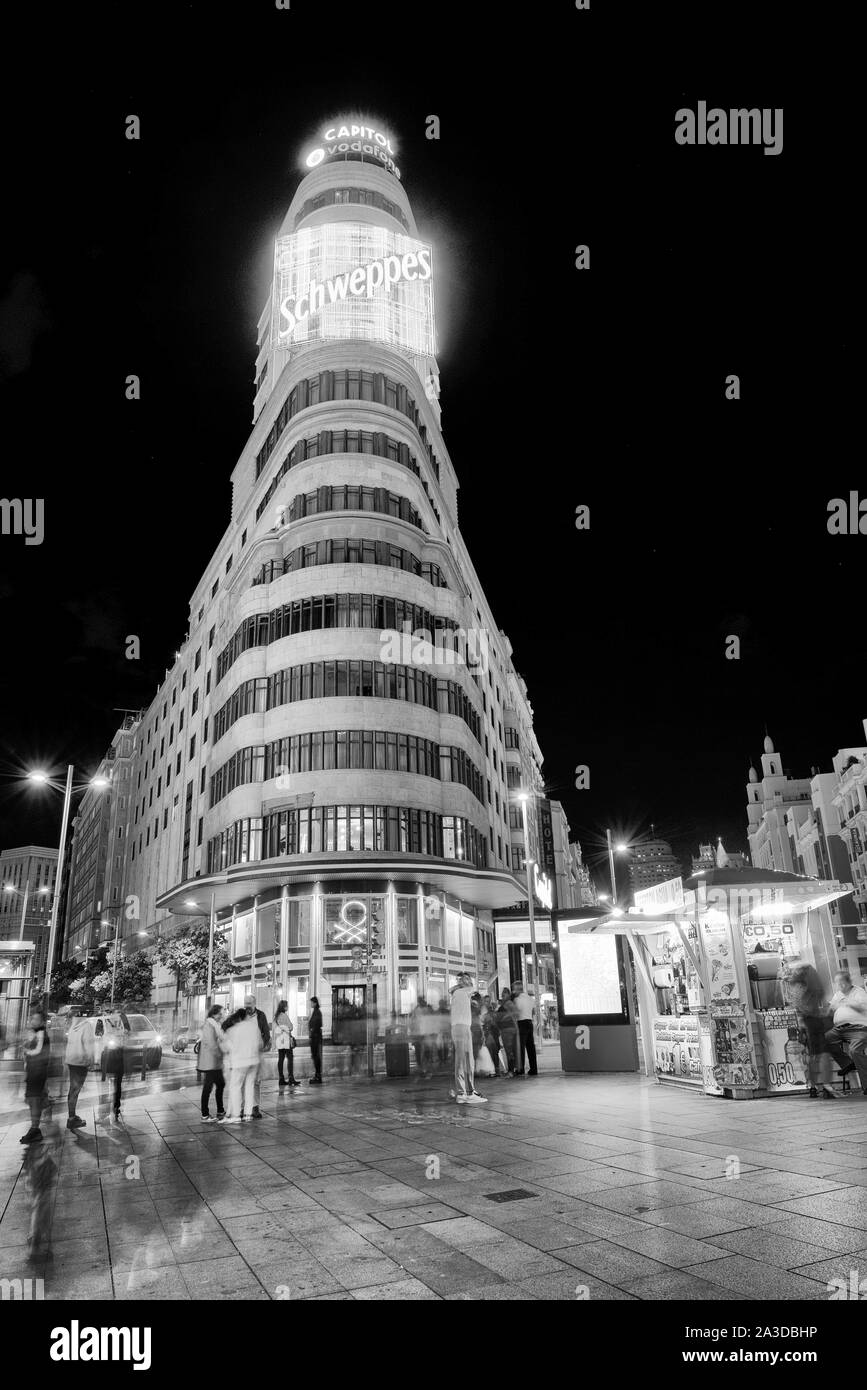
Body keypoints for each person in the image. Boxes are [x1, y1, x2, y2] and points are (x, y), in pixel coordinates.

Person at [786, 964, 836, 1099]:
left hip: (806, 1023)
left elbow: (796, 1006)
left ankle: (813, 1087)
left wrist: (801, 1020)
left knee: (812, 1056)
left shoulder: (796, 988)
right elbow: (823, 1006)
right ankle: (826, 1085)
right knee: (824, 1054)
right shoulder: (814, 989)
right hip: (816, 1021)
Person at [224, 993, 270, 1117]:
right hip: (243, 1054)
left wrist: (262, 1045)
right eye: (245, 1004)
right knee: (244, 1083)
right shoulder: (241, 1016)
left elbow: (266, 1033)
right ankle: (243, 1107)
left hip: (256, 1053)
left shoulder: (261, 1016)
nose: (247, 1006)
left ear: (254, 1004)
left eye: (249, 1004)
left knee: (255, 1082)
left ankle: (255, 1107)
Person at [825, 971, 867, 1095]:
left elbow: (862, 1008)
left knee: (855, 1050)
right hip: (839, 1029)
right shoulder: (838, 994)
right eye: (838, 983)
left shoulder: (859, 992)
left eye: (842, 983)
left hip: (859, 1028)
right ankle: (848, 1063)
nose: (840, 986)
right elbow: (830, 1009)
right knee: (824, 1040)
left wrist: (847, 1002)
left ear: (848, 982)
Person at [449, 972, 486, 1104]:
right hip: (463, 1027)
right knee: (466, 1060)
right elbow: (475, 989)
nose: (470, 982)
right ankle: (466, 1093)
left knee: (462, 1059)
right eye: (468, 980)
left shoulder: (457, 993)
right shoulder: (466, 990)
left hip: (457, 1027)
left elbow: (453, 990)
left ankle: (464, 1092)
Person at [21, 1008, 51, 1144]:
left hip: (37, 1072)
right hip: (33, 1071)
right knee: (34, 1100)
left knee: (34, 1100)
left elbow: (38, 1051)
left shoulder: (41, 1034)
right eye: (32, 1018)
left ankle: (35, 1130)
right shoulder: (35, 1033)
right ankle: (35, 1128)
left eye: (36, 1019)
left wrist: (26, 1051)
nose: (33, 1021)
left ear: (42, 1021)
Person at [64, 1008, 95, 1130]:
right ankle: (71, 1119)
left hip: (71, 1060)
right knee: (75, 1090)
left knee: (73, 1089)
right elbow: (89, 1045)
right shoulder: (86, 1026)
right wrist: (91, 1061)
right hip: (81, 1061)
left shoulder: (72, 1025)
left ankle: (72, 1116)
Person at [199, 1004, 227, 1121]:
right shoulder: (209, 1025)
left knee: (220, 1084)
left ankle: (220, 1110)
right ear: (214, 1014)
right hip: (210, 1062)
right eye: (220, 1013)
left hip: (215, 1062)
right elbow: (211, 1043)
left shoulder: (215, 1024)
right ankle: (205, 1115)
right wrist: (220, 1054)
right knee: (208, 1087)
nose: (222, 1015)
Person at [102, 1010, 130, 1122]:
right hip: (116, 1054)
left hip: (115, 1054)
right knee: (116, 1083)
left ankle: (115, 1106)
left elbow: (127, 1033)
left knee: (115, 1083)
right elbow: (127, 1033)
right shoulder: (116, 1018)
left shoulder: (117, 1018)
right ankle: (115, 1106)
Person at [512, 982, 538, 1076]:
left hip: (521, 1023)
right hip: (529, 1022)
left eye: (514, 989)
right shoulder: (530, 998)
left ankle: (520, 1069)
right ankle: (533, 1069)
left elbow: (516, 1012)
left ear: (518, 989)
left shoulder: (517, 999)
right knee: (531, 1047)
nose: (513, 991)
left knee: (520, 1047)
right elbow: (533, 1011)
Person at [274, 1000, 300, 1087]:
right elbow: (291, 1027)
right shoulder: (284, 1015)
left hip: (279, 1040)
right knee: (290, 1058)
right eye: (287, 1006)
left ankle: (281, 1079)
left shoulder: (277, 1016)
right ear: (284, 1007)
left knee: (281, 1059)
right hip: (286, 1040)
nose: (287, 1007)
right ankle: (291, 1078)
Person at [496, 988, 519, 1076]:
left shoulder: (509, 1003)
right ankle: (511, 1069)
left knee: (509, 1050)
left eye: (504, 994)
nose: (503, 996)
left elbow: (516, 1013)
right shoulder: (506, 1003)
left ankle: (511, 1070)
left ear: (508, 995)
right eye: (502, 994)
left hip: (508, 1029)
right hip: (506, 1029)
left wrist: (505, 1017)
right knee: (509, 1049)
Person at [308, 996, 323, 1084]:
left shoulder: (317, 1012)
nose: (310, 1004)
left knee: (316, 1056)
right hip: (314, 1037)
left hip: (315, 1038)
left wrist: (312, 1031)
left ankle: (318, 1076)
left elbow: (317, 1025)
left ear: (315, 1003)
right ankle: (317, 1075)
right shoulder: (316, 1012)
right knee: (315, 1056)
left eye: (311, 1003)